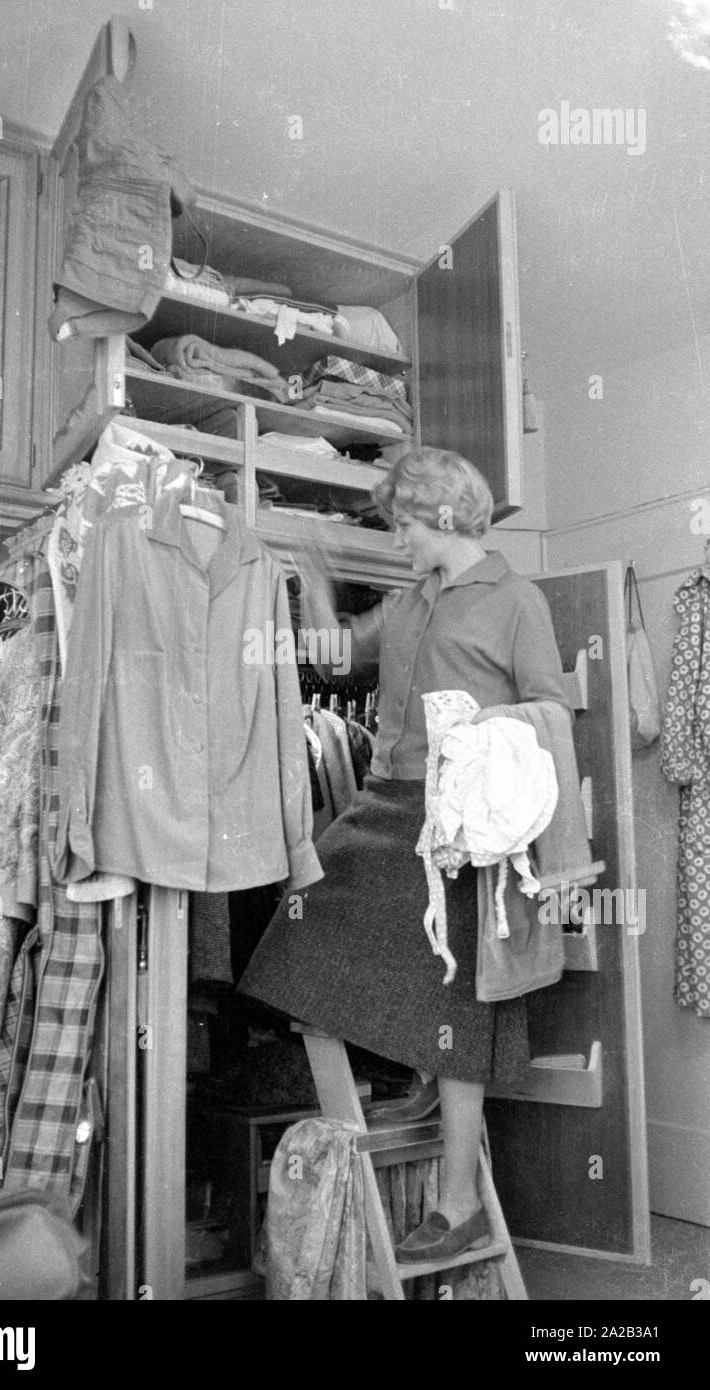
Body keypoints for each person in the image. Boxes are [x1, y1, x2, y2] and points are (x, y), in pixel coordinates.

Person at [239, 445, 573, 1264]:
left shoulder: (514, 599)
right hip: (382, 806)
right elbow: (334, 655)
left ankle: (457, 1204)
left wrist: (487, 736)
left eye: (407, 525)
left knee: (458, 1008)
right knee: (298, 945)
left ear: (448, 516)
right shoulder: (408, 602)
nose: (400, 541)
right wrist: (311, 577)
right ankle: (382, 1121)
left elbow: (552, 710)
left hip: (458, 825)